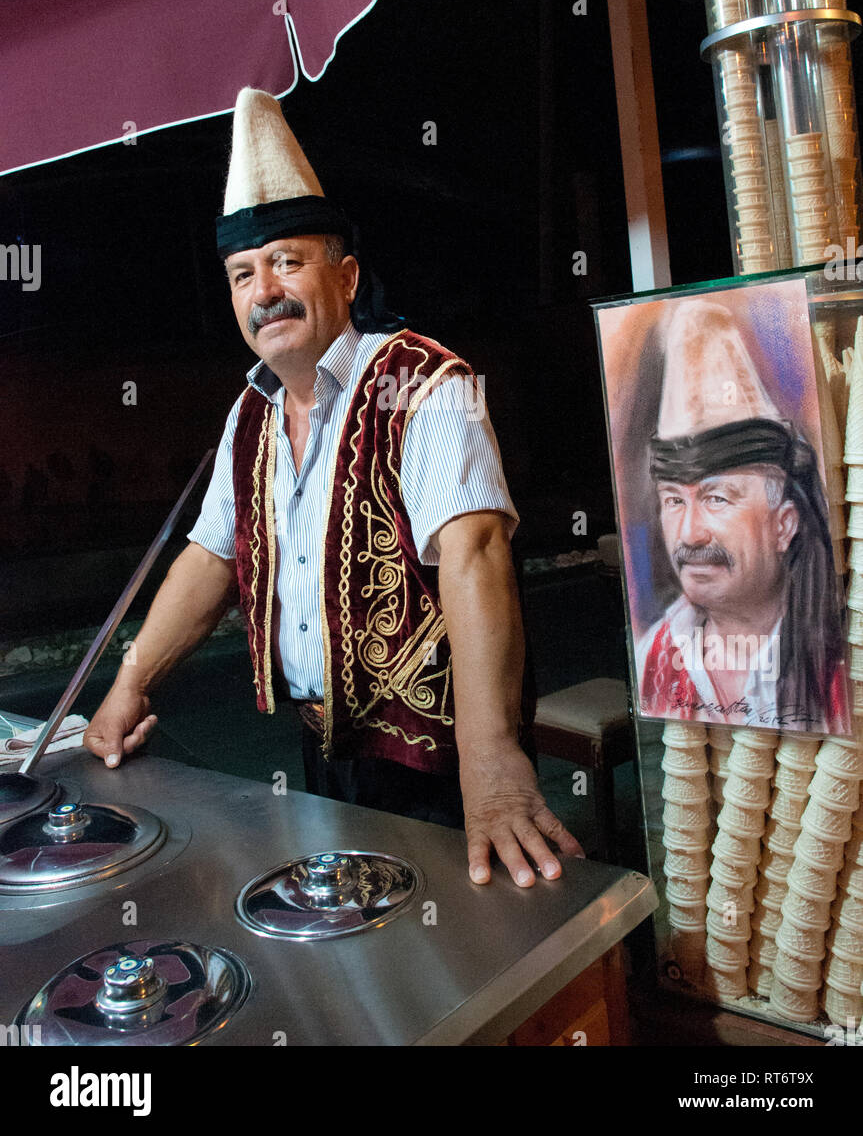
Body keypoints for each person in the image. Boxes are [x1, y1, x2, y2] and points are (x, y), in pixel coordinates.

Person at [85, 88, 584, 887]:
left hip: (442, 754)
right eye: (243, 273)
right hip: (323, 746)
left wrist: (491, 761)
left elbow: (476, 552)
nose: (264, 290)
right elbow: (211, 558)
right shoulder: (250, 413)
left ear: (346, 276)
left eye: (288, 261)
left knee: (467, 956)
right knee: (355, 941)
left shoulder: (422, 381)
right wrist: (129, 687)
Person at [636, 298, 849, 734]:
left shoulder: (841, 662)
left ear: (784, 524)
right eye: (675, 500)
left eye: (717, 498)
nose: (690, 535)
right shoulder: (653, 655)